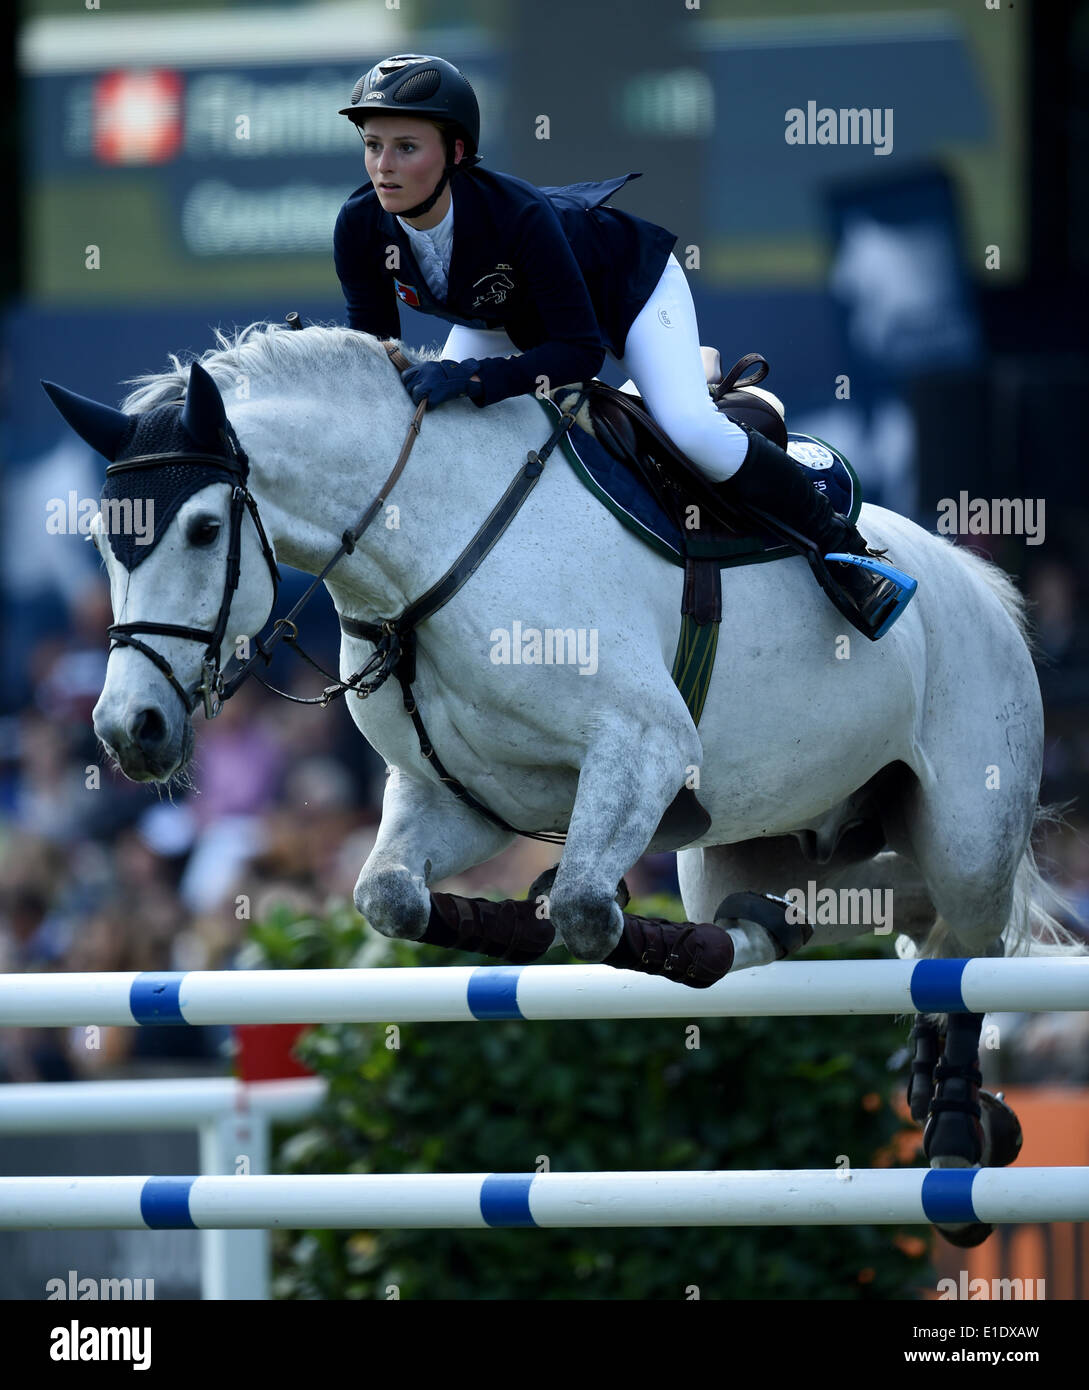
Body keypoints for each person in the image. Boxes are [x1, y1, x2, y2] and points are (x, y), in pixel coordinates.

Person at [333, 54, 915, 639]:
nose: (383, 167)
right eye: (372, 144)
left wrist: (475, 379)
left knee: (691, 430)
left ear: (457, 152)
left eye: (406, 147)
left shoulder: (519, 216)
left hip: (629, 292)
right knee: (434, 424)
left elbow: (580, 354)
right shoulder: (359, 223)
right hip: (503, 316)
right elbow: (375, 352)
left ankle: (848, 554)